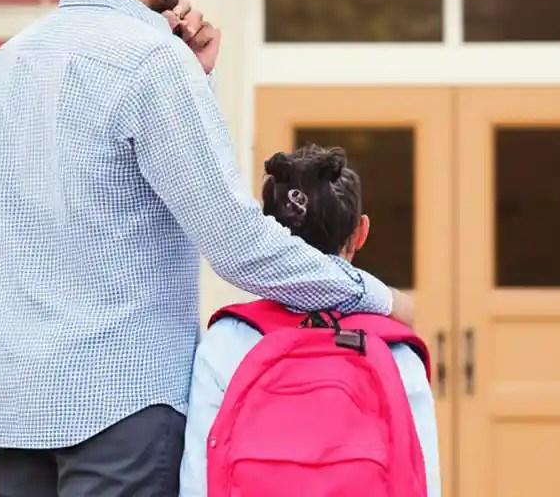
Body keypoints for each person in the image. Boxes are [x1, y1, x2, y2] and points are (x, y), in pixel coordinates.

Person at [0, 0, 414, 497]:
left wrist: (12, 369)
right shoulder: (148, 62)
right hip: (126, 413)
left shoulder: (1, 69)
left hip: (14, 417)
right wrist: (374, 295)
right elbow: (235, 241)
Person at [178, 145, 440, 497]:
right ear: (361, 233)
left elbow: (199, 480)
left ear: (268, 231)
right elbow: (422, 479)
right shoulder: (395, 351)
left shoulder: (227, 340)